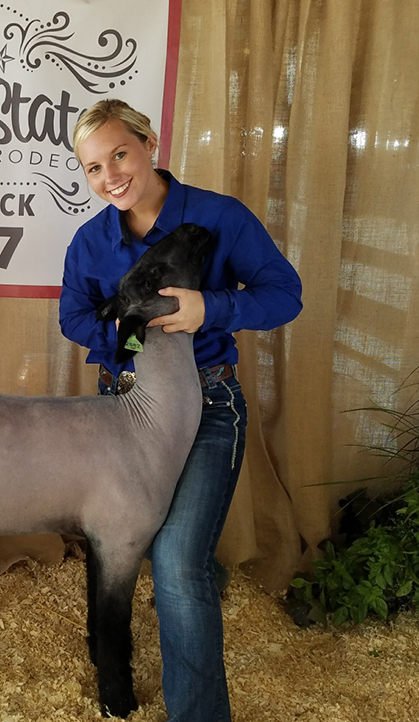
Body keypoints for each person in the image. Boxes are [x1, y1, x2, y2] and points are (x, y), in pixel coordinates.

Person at [59, 99, 302, 721]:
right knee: (133, 548)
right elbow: (73, 317)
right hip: (123, 410)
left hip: (209, 401)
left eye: (119, 154)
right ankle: (148, 639)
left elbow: (284, 294)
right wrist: (125, 334)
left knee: (175, 559)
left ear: (149, 142)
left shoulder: (220, 217)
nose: (110, 176)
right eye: (92, 168)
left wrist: (210, 310)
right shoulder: (90, 241)